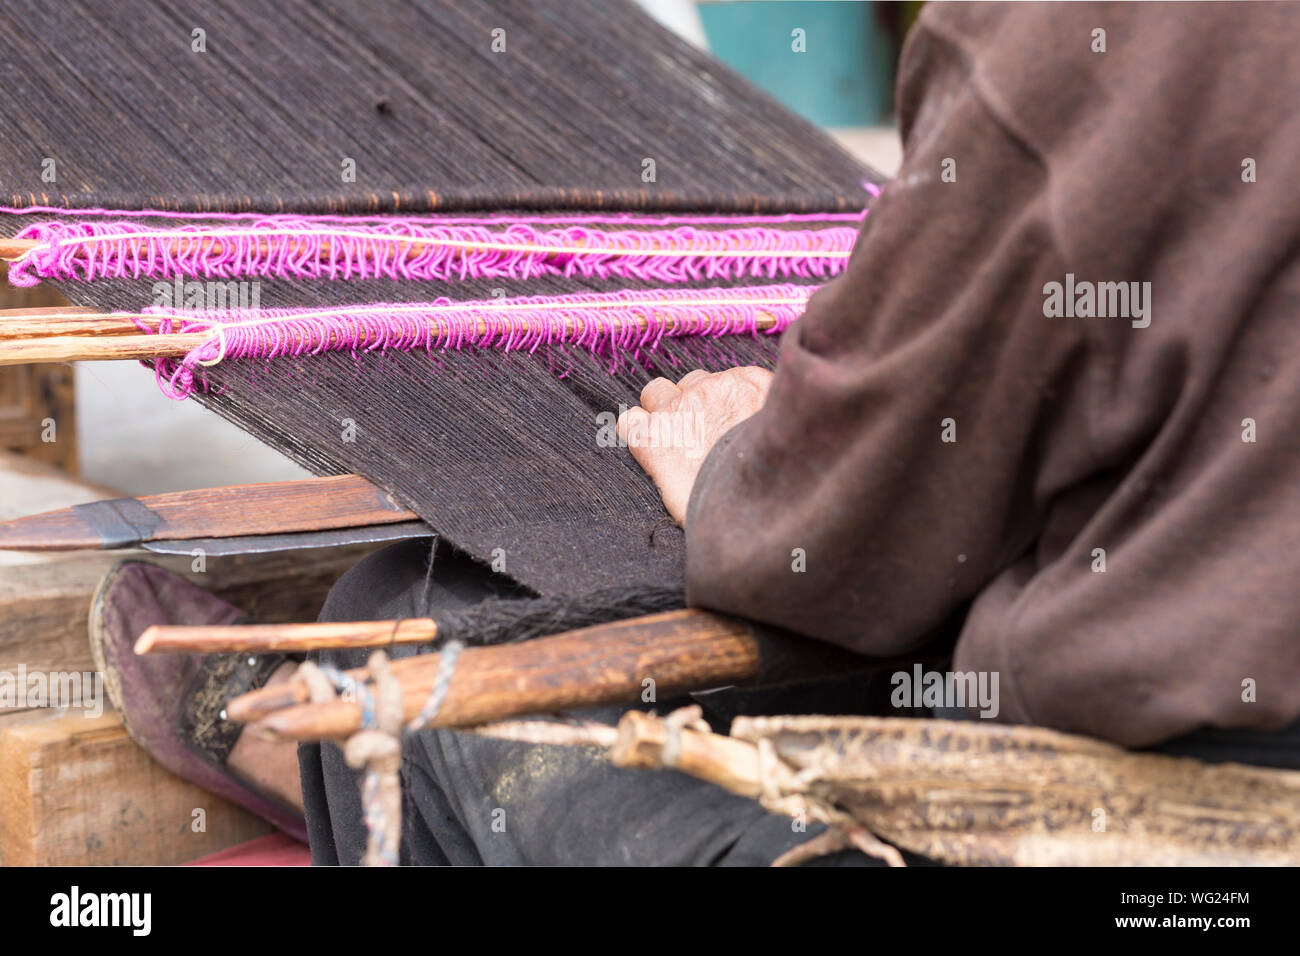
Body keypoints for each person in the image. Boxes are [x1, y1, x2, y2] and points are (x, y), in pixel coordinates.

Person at [94, 2, 1300, 865]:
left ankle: (346, 769)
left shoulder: (1082, 38)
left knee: (437, 634)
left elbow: (834, 550)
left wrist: (735, 457)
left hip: (1164, 821)